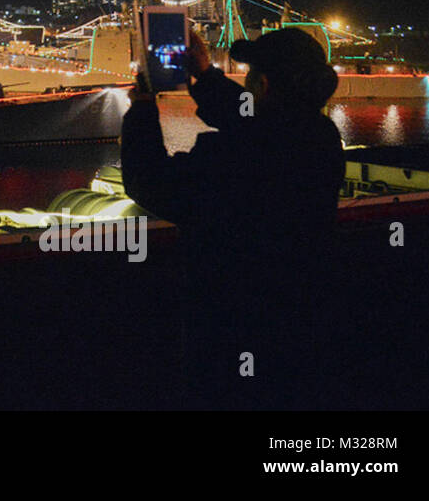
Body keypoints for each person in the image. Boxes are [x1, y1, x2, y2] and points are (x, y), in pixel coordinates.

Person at [121, 25, 344, 409]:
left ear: (265, 85)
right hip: (302, 317)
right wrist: (204, 74)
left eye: (251, 77)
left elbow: (150, 180)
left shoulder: (234, 155)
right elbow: (261, 123)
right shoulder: (321, 137)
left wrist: (142, 105)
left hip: (229, 324)